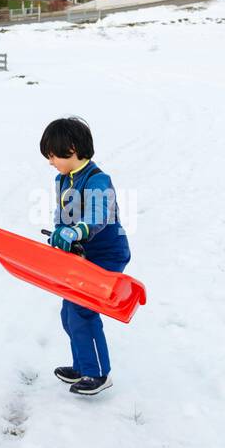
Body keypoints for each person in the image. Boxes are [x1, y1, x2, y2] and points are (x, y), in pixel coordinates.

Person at [40, 117, 131, 396]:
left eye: (53, 155)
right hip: (82, 256)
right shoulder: (63, 180)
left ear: (71, 148)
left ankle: (98, 374)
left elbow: (98, 213)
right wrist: (59, 231)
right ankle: (82, 366)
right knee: (69, 313)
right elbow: (63, 213)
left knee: (82, 310)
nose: (50, 161)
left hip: (106, 255)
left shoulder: (98, 180)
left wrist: (78, 230)